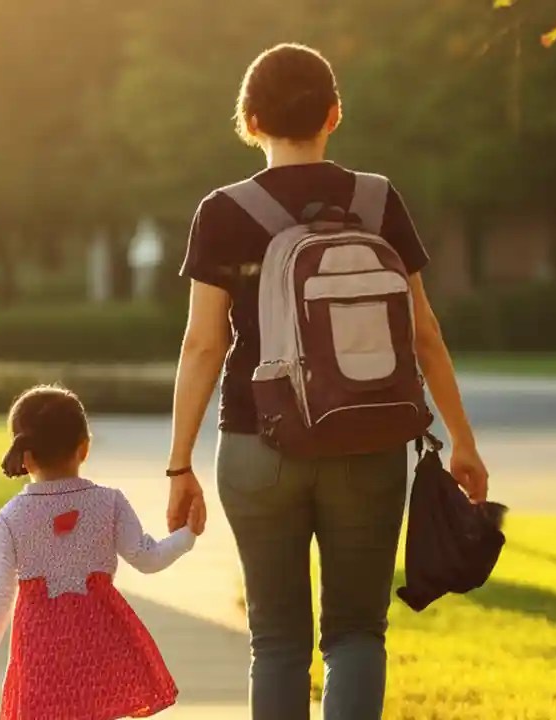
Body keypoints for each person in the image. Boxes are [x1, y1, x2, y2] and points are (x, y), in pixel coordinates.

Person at [163, 43, 490, 720]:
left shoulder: (222, 211)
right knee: (356, 634)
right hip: (368, 440)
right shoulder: (376, 201)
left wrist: (179, 465)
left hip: (259, 443)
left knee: (277, 641)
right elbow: (424, 333)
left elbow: (202, 344)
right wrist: (462, 441)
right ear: (333, 115)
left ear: (248, 122)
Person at [0, 385, 202, 720]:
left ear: (25, 455)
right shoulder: (108, 503)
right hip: (98, 640)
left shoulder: (12, 517)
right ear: (84, 448)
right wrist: (187, 535)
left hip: (40, 646)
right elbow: (148, 557)